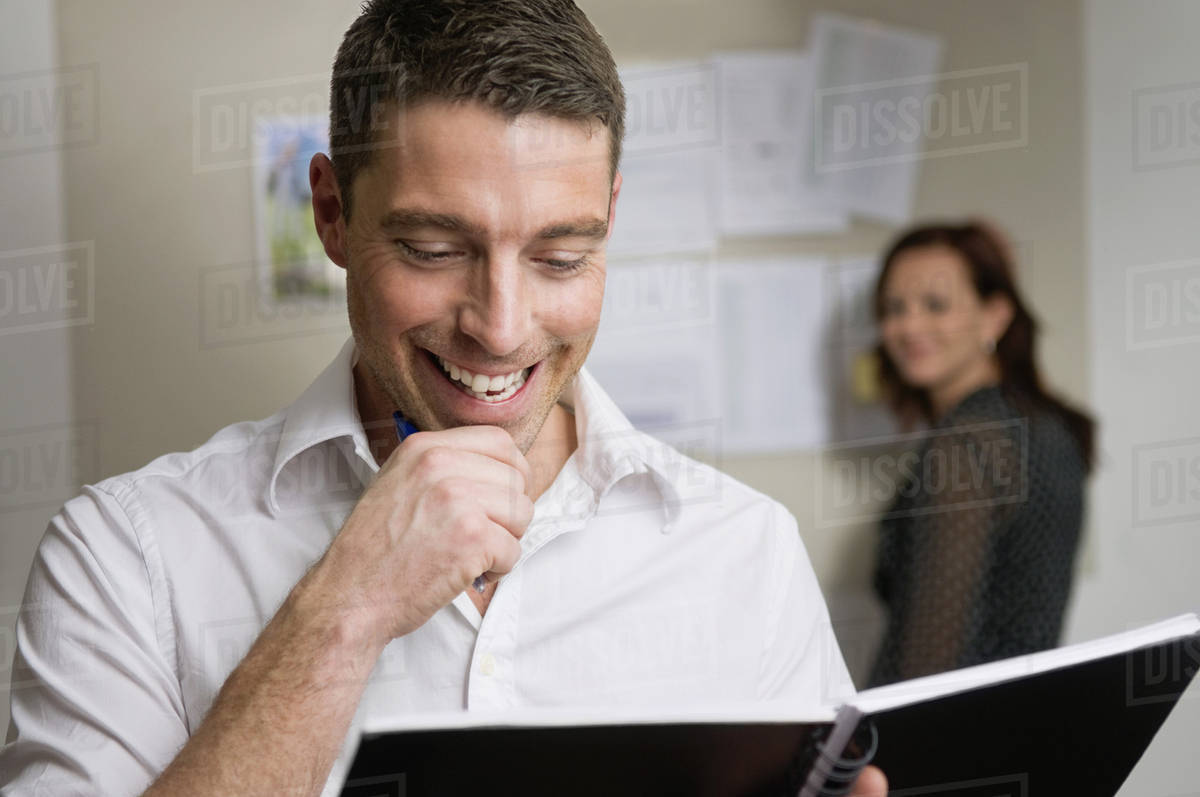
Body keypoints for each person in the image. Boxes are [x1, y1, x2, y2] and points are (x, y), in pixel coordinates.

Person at [1, 2, 885, 794]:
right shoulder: (125, 556)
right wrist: (347, 608)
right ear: (333, 212)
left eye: (561, 257)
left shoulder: (742, 551)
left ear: (610, 219)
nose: (500, 329)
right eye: (432, 248)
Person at [867, 220, 1094, 687]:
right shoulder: (1042, 425)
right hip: (1019, 726)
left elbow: (928, 668)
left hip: (945, 747)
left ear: (994, 316)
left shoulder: (967, 444)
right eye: (895, 307)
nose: (910, 326)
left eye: (936, 305)